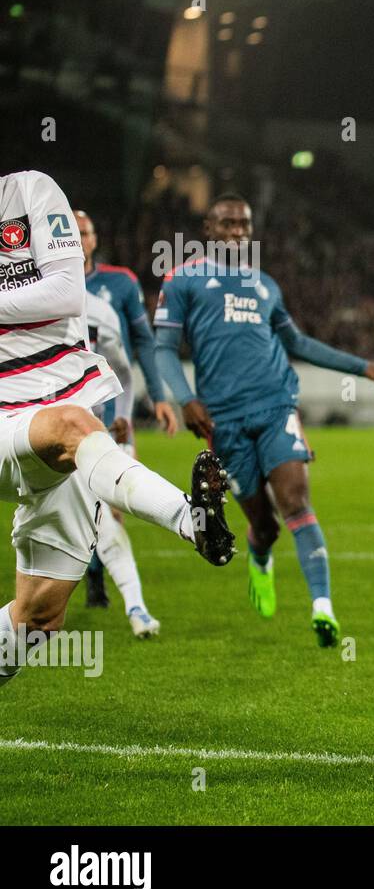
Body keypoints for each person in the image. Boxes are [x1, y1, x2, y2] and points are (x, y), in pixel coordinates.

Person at [0, 170, 233, 688]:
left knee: (39, 619)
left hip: (65, 403)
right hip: (15, 416)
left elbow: (65, 293)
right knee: (75, 426)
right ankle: (191, 520)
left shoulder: (30, 192)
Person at [153, 193, 374, 648]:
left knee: (297, 501)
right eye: (226, 224)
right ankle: (260, 556)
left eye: (243, 225)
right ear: (208, 229)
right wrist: (185, 398)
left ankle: (322, 608)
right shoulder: (182, 281)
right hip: (222, 421)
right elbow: (163, 347)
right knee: (265, 525)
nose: (236, 232)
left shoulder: (265, 285)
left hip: (276, 406)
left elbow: (298, 344)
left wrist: (362, 367)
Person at [74, 209, 177, 609]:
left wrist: (159, 397)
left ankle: (97, 581)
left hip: (113, 409)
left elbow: (144, 342)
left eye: (86, 232)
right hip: (63, 409)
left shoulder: (119, 284)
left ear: (95, 239)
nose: (80, 240)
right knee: (70, 503)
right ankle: (89, 577)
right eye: (73, 233)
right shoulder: (46, 286)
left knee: (111, 503)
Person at [84, 293, 161, 637]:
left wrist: (124, 421)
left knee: (108, 517)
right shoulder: (18, 298)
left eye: (85, 233)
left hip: (89, 434)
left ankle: (136, 608)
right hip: (29, 430)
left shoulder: (99, 311)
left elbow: (124, 374)